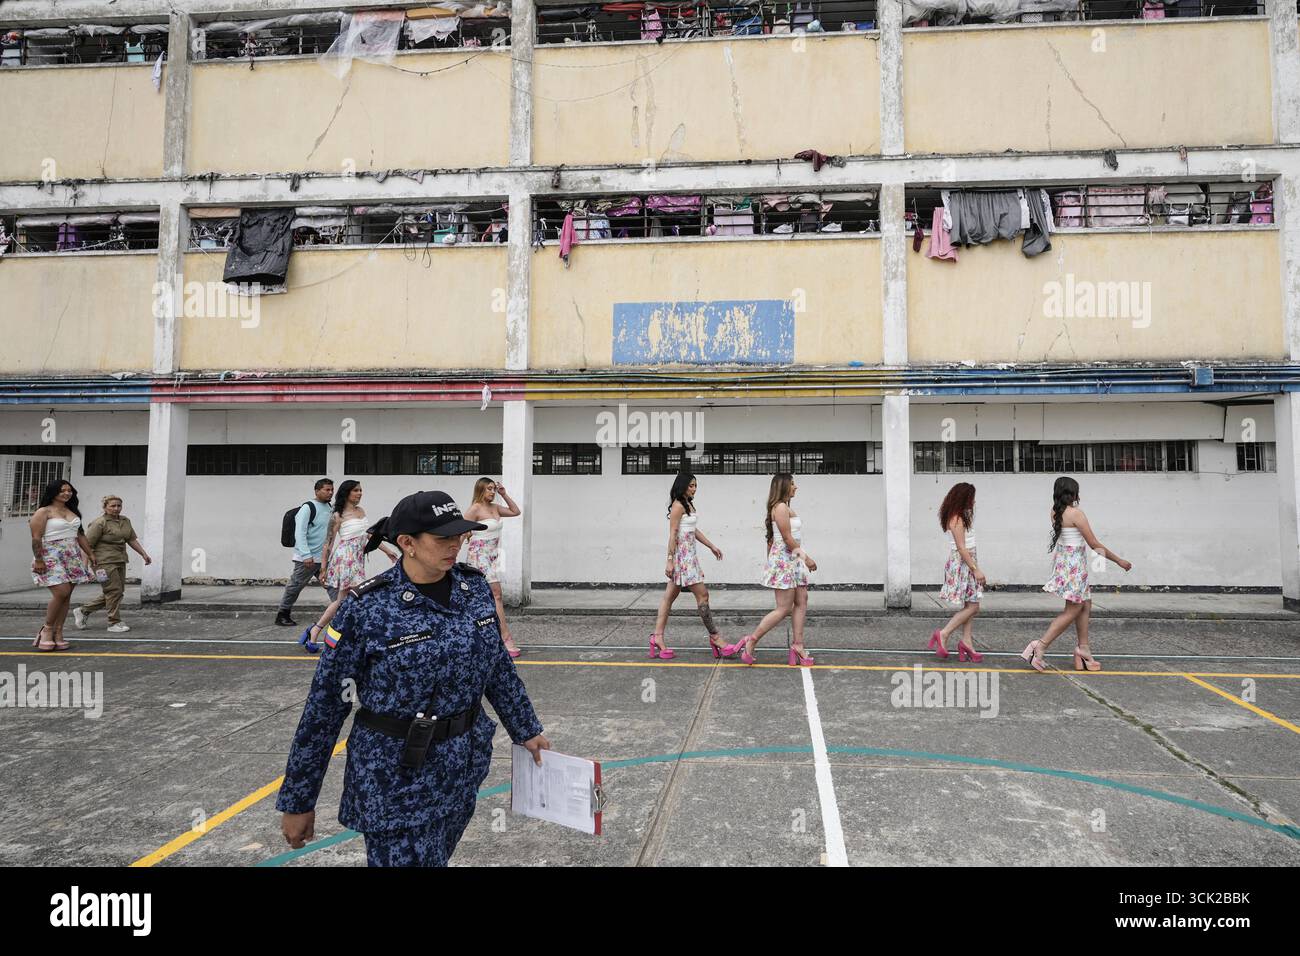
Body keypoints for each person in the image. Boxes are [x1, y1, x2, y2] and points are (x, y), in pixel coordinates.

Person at [277, 490, 551, 867]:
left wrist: (526, 728)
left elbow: (497, 668)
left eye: (459, 535)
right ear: (406, 543)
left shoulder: (473, 590)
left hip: (461, 768)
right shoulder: (367, 608)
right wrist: (298, 799)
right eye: (443, 538)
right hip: (394, 779)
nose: (456, 545)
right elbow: (325, 706)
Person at [1022, 477, 1132, 673]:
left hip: (1065, 564)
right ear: (1073, 494)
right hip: (1074, 567)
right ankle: (1039, 645)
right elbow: (1094, 544)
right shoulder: (1076, 514)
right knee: (1073, 609)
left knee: (1085, 604)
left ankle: (1083, 649)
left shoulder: (1055, 512)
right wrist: (1119, 561)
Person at [724, 473, 817, 666]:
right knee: (783, 608)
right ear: (783, 486)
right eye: (792, 484)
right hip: (787, 559)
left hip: (793, 560)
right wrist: (806, 558)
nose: (795, 487)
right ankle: (752, 640)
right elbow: (787, 538)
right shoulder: (781, 508)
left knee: (802, 601)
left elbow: (776, 539)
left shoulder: (785, 507)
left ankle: (798, 646)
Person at [301, 481, 399, 652]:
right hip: (345, 559)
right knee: (357, 597)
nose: (360, 493)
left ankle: (317, 631)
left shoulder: (361, 511)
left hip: (357, 559)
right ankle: (342, 635)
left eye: (361, 490)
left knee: (343, 601)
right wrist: (323, 569)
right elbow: (328, 544)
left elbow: (368, 536)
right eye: (356, 490)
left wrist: (388, 551)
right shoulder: (337, 515)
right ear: (347, 493)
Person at [650, 472, 725, 660]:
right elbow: (673, 534)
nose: (694, 489)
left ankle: (657, 637)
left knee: (668, 598)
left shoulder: (688, 504)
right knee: (703, 595)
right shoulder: (677, 506)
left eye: (695, 486)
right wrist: (669, 560)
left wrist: (711, 546)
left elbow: (693, 530)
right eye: (691, 485)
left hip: (690, 557)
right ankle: (715, 637)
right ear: (682, 486)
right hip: (682, 560)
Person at [29, 480, 97, 652]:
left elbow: (80, 535)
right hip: (50, 555)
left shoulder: (72, 511)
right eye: (62, 490)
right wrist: (39, 559)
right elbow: (36, 538)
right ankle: (47, 629)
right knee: (62, 592)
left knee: (66, 597)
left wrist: (90, 553)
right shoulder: (43, 511)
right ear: (53, 492)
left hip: (71, 556)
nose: (67, 493)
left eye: (69, 490)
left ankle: (59, 633)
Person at [73, 494, 152, 634]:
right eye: (112, 506)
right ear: (105, 507)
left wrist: (144, 554)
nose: (116, 508)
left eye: (119, 506)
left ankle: (84, 610)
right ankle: (113, 622)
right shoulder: (99, 523)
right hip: (102, 562)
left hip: (120, 560)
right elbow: (86, 545)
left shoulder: (125, 521)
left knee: (117, 592)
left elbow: (131, 539)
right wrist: (84, 566)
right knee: (113, 591)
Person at [463, 477, 523, 658]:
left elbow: (516, 511)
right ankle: (506, 638)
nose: (492, 492)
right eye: (488, 489)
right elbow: (462, 530)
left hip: (492, 556)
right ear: (480, 490)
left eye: (493, 489)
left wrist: (504, 494)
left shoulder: (495, 507)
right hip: (478, 555)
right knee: (496, 594)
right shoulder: (475, 509)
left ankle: (478, 637)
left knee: (479, 598)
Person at [928, 482, 985, 662]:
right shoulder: (956, 519)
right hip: (963, 564)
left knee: (970, 605)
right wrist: (976, 570)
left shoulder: (961, 517)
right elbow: (961, 548)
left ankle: (967, 642)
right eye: (972, 498)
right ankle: (943, 633)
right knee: (974, 606)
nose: (974, 502)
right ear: (964, 498)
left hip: (967, 562)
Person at [276, 478, 336, 627]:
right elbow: (300, 533)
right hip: (307, 558)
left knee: (333, 585)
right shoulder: (308, 508)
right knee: (295, 586)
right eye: (326, 490)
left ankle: (342, 612)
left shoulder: (330, 508)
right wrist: (305, 554)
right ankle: (282, 614)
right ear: (317, 491)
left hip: (323, 558)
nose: (330, 492)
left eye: (331, 490)